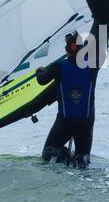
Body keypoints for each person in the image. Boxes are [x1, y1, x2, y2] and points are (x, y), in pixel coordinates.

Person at [36, 31, 100, 168]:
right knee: (83, 154)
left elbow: (41, 80)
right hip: (86, 120)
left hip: (65, 120)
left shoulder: (59, 66)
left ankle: (60, 152)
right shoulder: (93, 65)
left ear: (66, 50)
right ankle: (82, 158)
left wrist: (39, 71)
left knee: (47, 152)